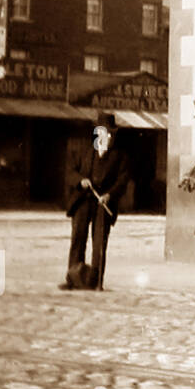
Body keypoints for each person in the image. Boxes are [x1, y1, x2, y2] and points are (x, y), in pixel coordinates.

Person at [60, 113, 131, 291]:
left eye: (109, 134)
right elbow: (70, 172)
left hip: (103, 204)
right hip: (83, 201)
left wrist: (110, 195)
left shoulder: (120, 156)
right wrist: (80, 181)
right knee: (78, 239)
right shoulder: (84, 151)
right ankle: (73, 279)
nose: (105, 137)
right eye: (102, 132)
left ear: (113, 136)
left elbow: (122, 181)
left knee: (99, 243)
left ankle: (97, 282)